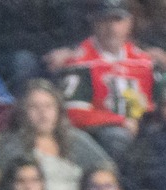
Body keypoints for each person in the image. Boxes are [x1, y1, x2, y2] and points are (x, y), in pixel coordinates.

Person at [0, 80, 113, 190]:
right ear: (23, 112)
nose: (43, 113)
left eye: (48, 106)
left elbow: (107, 171)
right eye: (34, 107)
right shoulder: (9, 147)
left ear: (58, 110)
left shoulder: (78, 141)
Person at [57, 2, 160, 163]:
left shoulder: (144, 61)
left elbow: (154, 104)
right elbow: (74, 114)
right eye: (105, 20)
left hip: (141, 129)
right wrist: (119, 121)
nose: (112, 28)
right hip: (101, 135)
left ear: (129, 23)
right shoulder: (81, 61)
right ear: (95, 23)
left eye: (117, 20)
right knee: (117, 137)